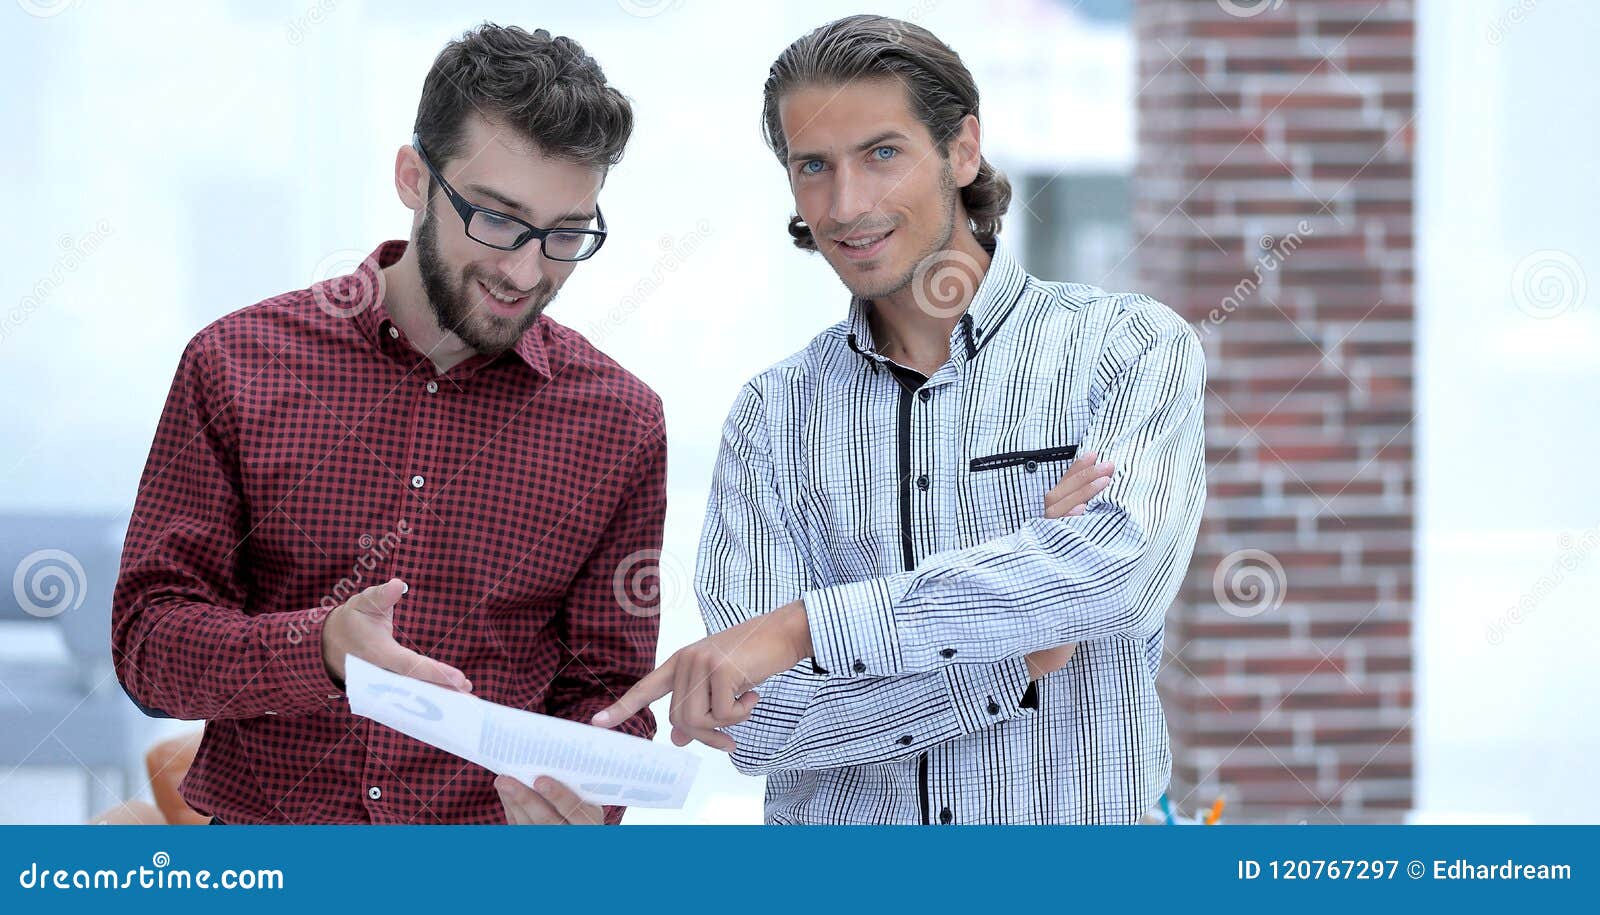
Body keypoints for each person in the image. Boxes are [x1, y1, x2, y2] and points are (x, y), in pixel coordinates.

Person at [596, 14, 1206, 824]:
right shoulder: (771, 418)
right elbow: (760, 719)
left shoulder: (1128, 349)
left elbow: (1115, 578)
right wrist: (1014, 651)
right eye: (814, 166)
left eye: (882, 153)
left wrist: (807, 626)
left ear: (962, 150)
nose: (848, 204)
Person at [112, 23, 663, 825]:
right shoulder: (235, 363)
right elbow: (148, 647)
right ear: (414, 178)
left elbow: (609, 694)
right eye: (498, 219)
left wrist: (587, 803)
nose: (526, 270)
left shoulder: (621, 422)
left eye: (566, 234)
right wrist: (320, 649)